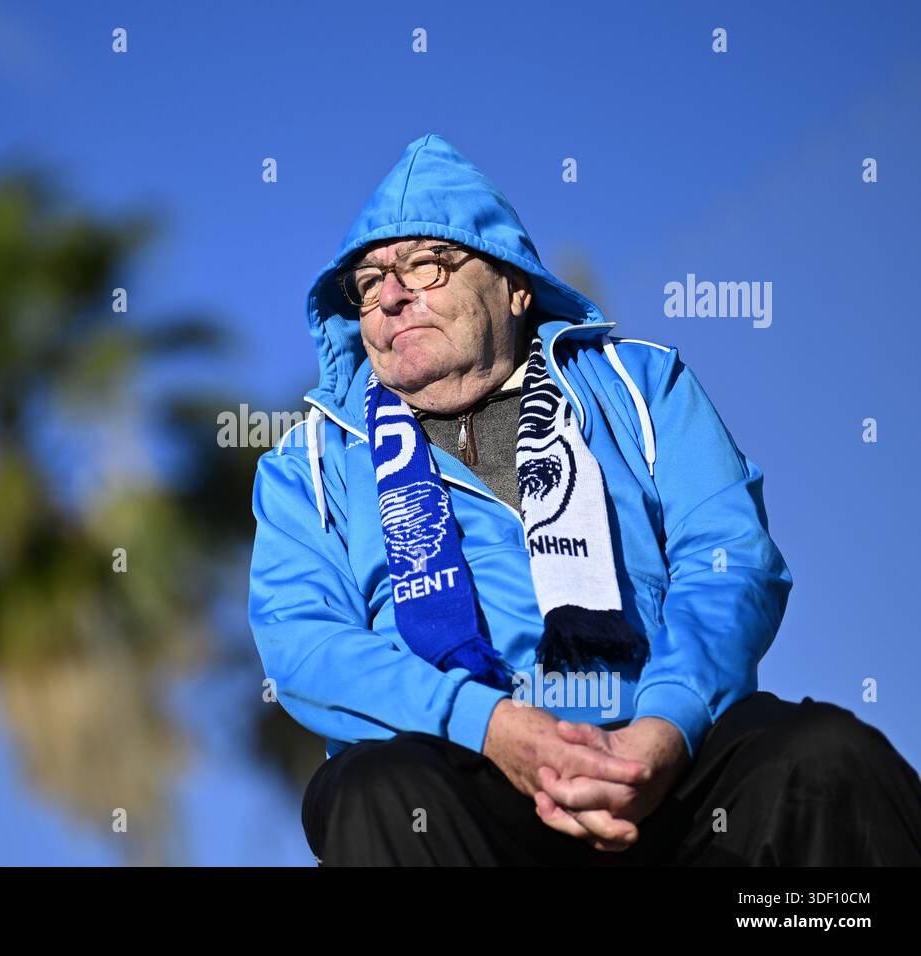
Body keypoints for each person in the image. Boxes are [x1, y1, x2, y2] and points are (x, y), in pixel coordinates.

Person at [246, 132, 921, 865]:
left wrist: (666, 727)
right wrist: (489, 724)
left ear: (515, 287)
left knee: (826, 758)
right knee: (376, 787)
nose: (393, 296)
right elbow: (304, 643)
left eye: (429, 265)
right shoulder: (307, 461)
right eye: (369, 282)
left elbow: (728, 562)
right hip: (461, 767)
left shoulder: (643, 388)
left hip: (662, 753)